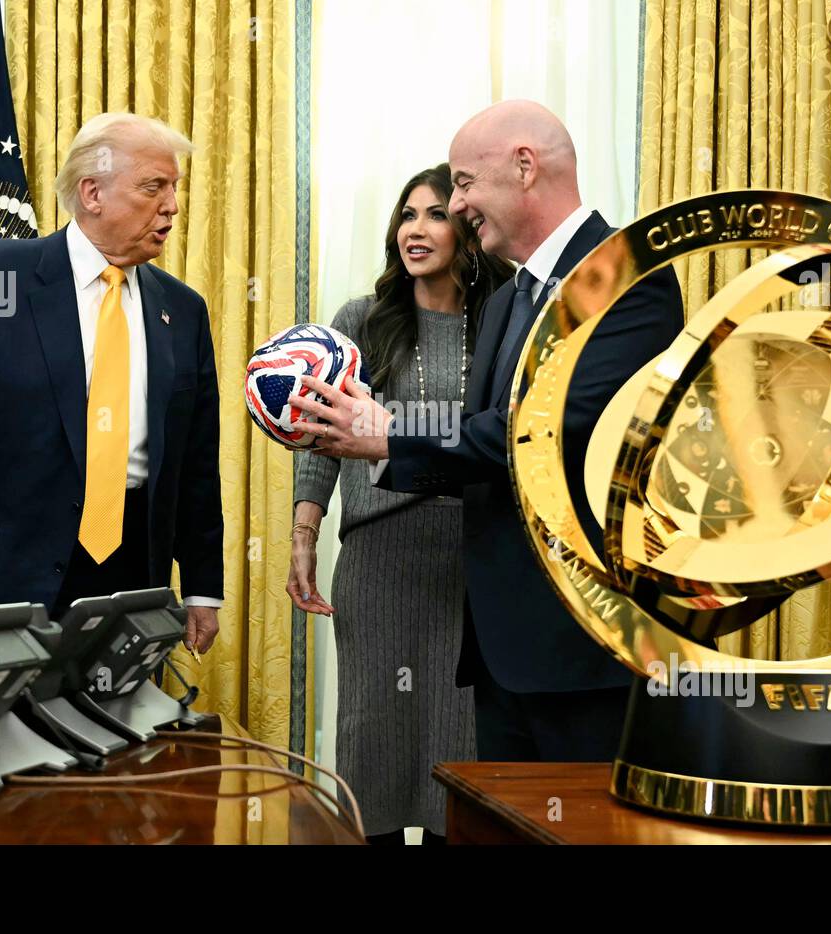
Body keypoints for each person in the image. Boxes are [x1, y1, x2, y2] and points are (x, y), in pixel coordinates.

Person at [291, 101, 685, 761]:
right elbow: (485, 440)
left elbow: (552, 432)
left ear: (525, 167)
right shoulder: (509, 300)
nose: (461, 203)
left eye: (466, 183)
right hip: (501, 654)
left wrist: (390, 434)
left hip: (585, 648)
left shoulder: (625, 274)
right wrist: (374, 440)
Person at [0, 112, 223, 652]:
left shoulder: (183, 309)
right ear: (92, 193)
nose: (172, 205)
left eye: (174, 188)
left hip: (126, 584)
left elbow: (196, 456)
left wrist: (201, 588)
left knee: (112, 736)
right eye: (154, 187)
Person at [289, 164, 512, 844]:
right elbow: (318, 434)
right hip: (379, 561)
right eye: (407, 215)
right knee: (373, 739)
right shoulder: (361, 319)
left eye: (435, 214)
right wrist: (304, 534)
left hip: (472, 562)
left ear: (468, 227)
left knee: (459, 744)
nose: (416, 228)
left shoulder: (504, 319)